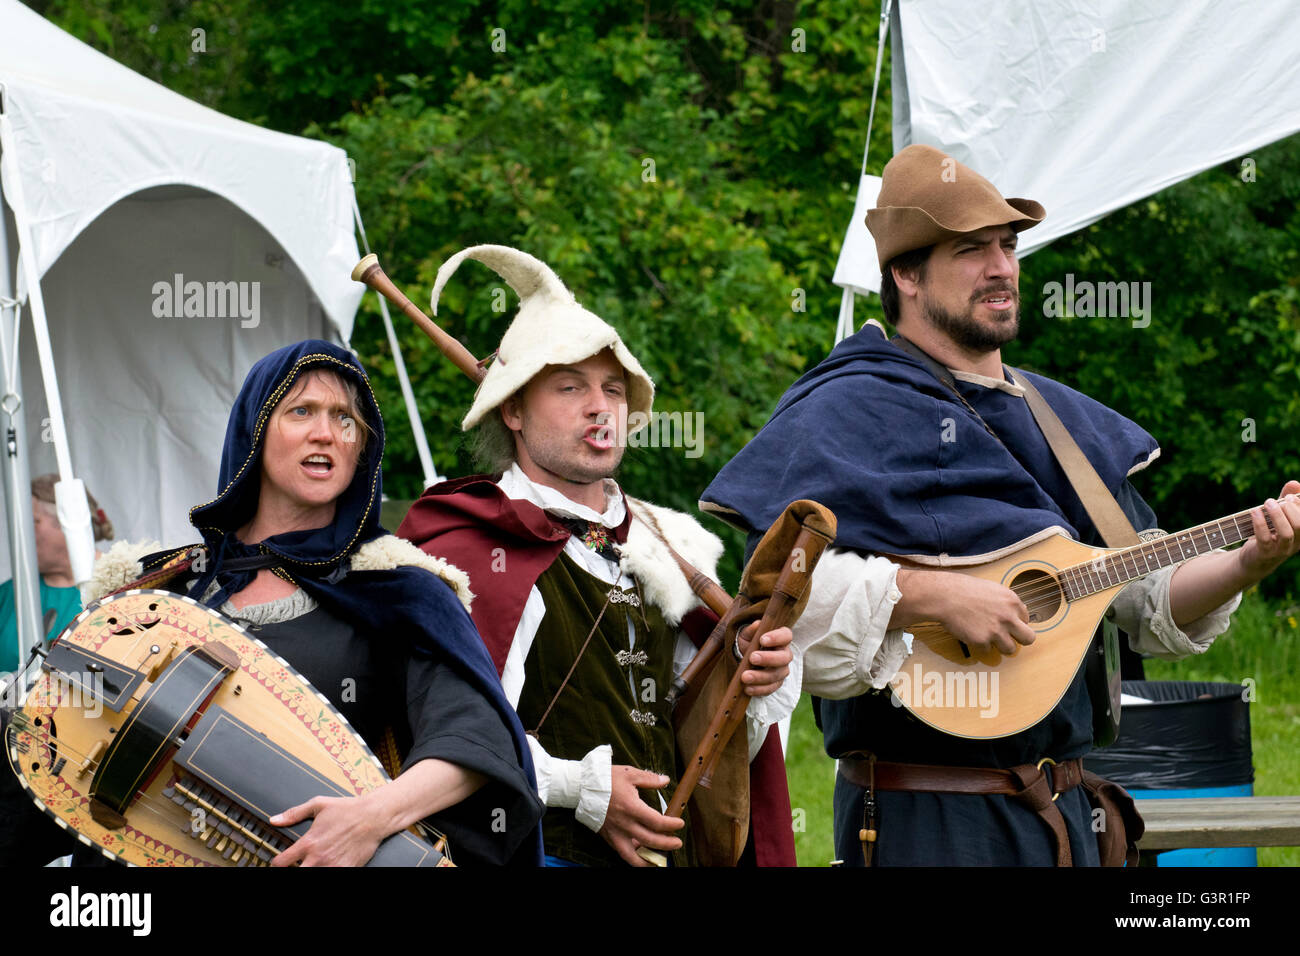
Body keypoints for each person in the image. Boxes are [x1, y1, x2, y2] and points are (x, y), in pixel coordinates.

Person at [699, 145, 1300, 866]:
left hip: (1068, 814)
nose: (1001, 266)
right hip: (922, 819)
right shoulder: (848, 409)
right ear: (906, 275)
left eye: (1008, 246)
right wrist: (927, 593)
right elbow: (776, 598)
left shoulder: (1066, 425)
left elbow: (1144, 595)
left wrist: (1248, 560)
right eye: (971, 249)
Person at [398, 245, 799, 866]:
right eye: (569, 386)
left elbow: (712, 740)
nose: (599, 407)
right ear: (513, 410)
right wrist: (583, 791)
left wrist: (750, 676)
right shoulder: (469, 546)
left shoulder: (670, 543)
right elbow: (454, 737)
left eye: (613, 389)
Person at [78, 340, 544, 866]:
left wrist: (373, 817)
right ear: (254, 431)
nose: (326, 432)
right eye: (301, 411)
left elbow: (479, 740)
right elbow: (67, 745)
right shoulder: (162, 592)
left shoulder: (401, 592)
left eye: (345, 418)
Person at [0, 475, 114, 674]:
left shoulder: (123, 587)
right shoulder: (9, 594)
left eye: (33, 521)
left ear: (67, 522)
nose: (22, 532)